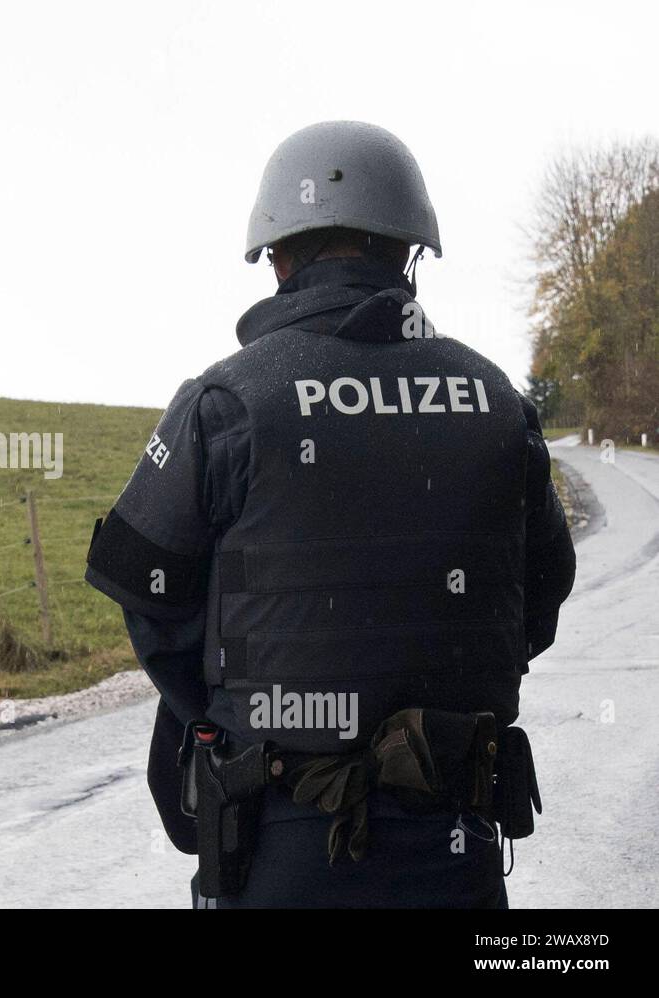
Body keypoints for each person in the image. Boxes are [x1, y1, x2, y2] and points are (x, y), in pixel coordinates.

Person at [85, 121, 576, 908]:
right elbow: (540, 599)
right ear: (408, 251)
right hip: (455, 844)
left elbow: (150, 606)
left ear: (278, 256)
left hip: (283, 845)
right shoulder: (497, 402)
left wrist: (228, 713)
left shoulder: (228, 399)